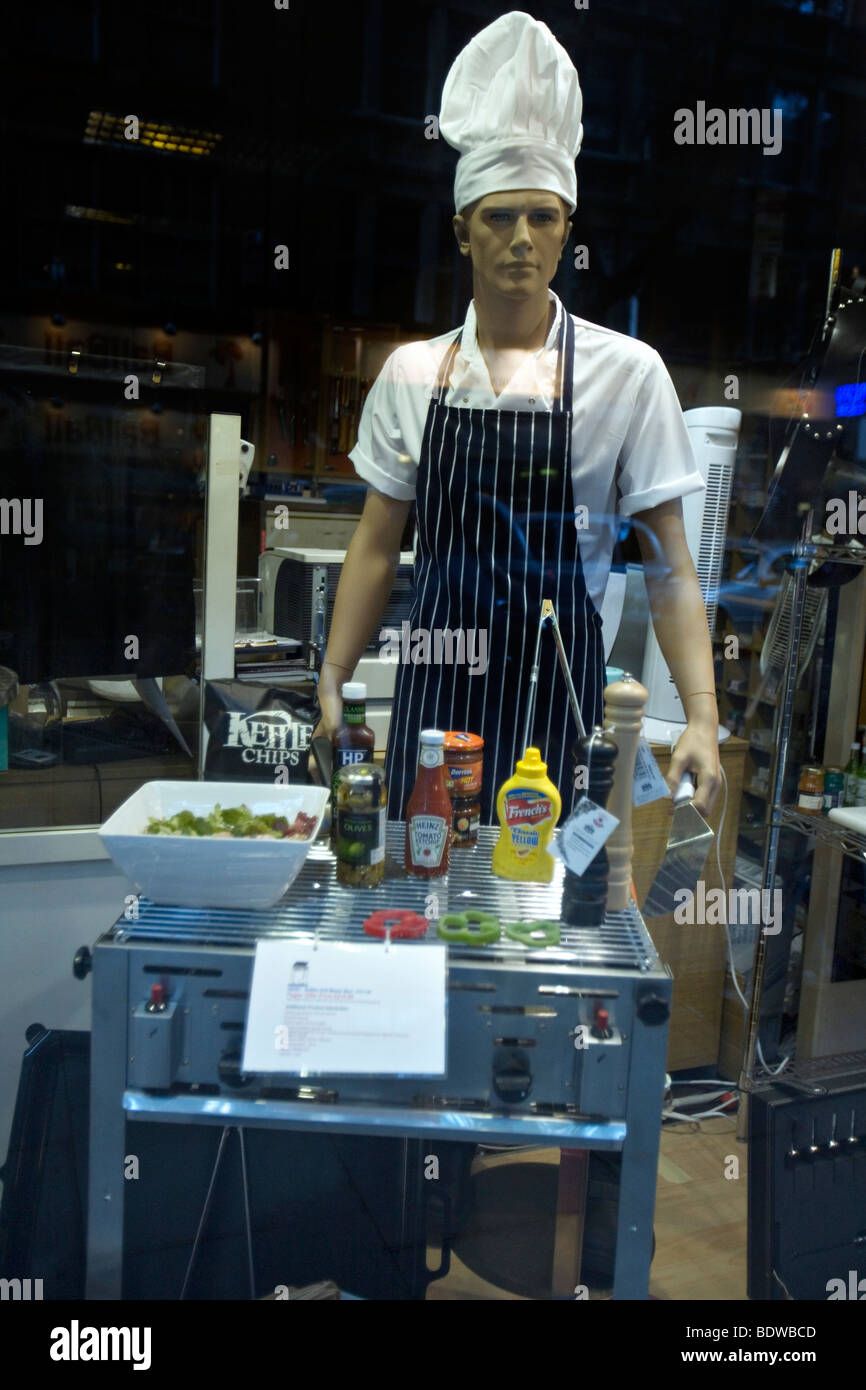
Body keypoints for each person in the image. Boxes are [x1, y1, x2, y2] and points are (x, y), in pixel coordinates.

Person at [312, 11, 721, 821]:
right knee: (425, 900)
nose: (522, 239)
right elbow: (376, 542)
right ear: (463, 230)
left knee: (545, 923)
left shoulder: (628, 375)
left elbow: (670, 560)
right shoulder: (412, 374)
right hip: (435, 699)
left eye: (544, 216)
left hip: (559, 709)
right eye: (500, 217)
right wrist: (330, 678)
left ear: (569, 229)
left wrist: (704, 714)